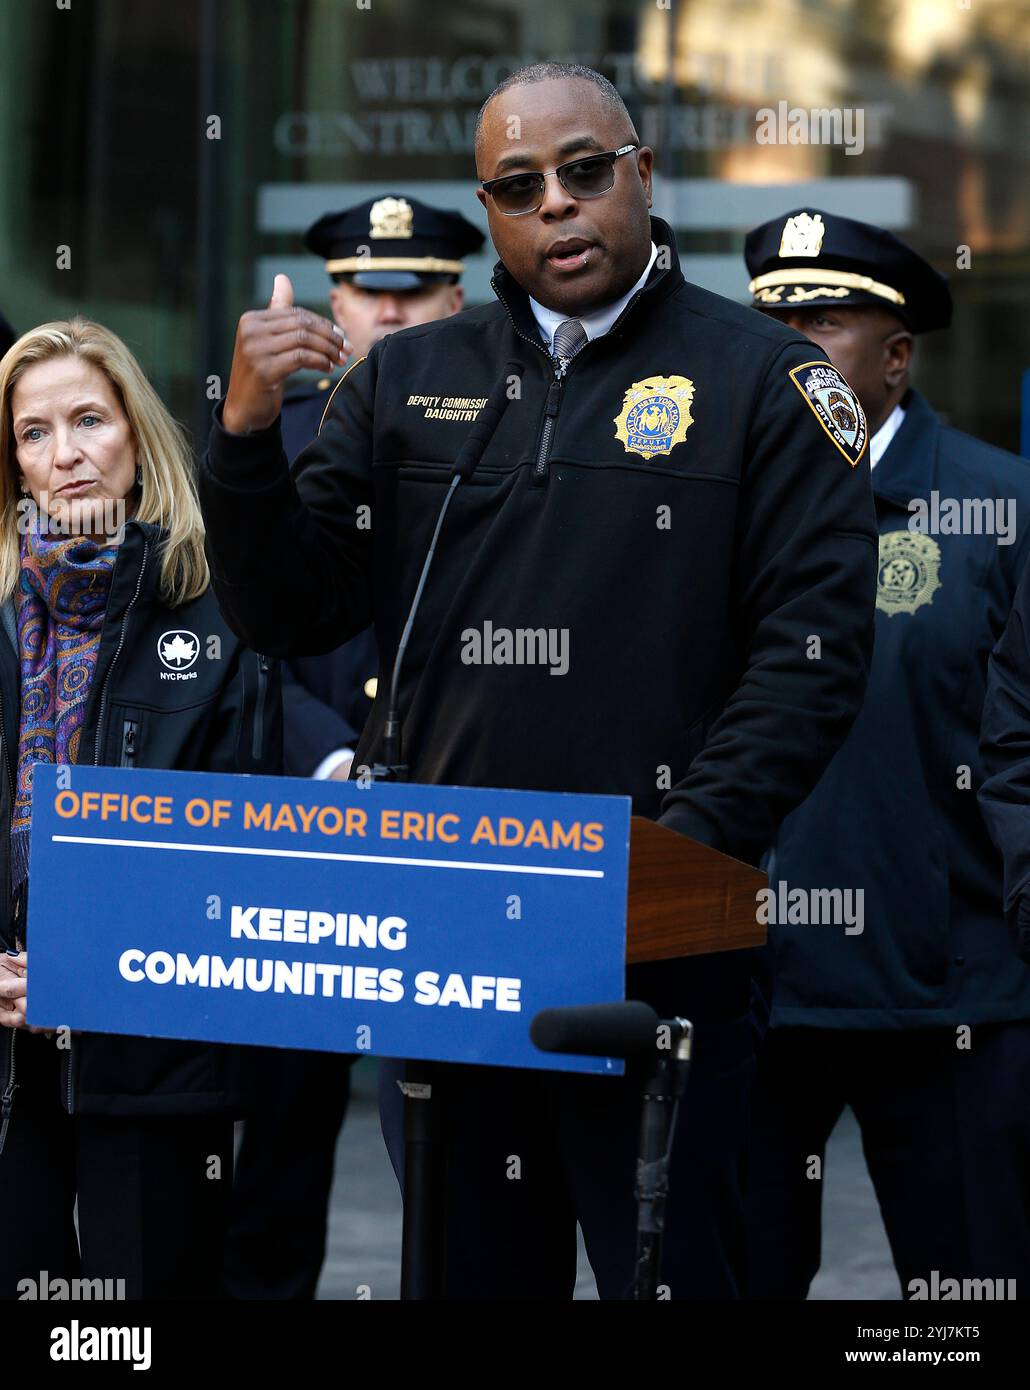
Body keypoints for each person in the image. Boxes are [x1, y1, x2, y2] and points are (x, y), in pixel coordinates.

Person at [198, 63, 877, 1300]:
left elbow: (810, 659)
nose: (556, 206)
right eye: (518, 188)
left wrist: (670, 864)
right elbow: (293, 610)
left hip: (656, 954)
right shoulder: (405, 381)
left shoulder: (767, 384)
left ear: (642, 175)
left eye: (584, 171)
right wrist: (243, 441)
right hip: (455, 943)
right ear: (490, 210)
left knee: (672, 1278)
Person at [741, 208, 1030, 1298]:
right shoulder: (722, 505)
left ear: (897, 358)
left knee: (963, 1298)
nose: (786, 348)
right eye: (770, 323)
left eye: (818, 324)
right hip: (755, 992)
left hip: (953, 1003)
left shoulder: (1003, 508)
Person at [226, 197, 483, 1301]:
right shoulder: (257, 442)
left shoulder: (495, 431)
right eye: (367, 288)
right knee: (272, 1151)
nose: (387, 307)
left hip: (448, 829)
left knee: (459, 1154)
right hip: (297, 827)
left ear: (454, 299)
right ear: (330, 297)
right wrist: (332, 761)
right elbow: (224, 640)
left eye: (413, 287)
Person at [0, 318, 282, 1301]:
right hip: (6, 1046)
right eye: (34, 433)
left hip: (154, 1043)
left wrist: (83, 966)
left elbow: (244, 848)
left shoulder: (218, 612)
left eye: (89, 419)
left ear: (138, 436)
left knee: (141, 1324)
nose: (65, 453)